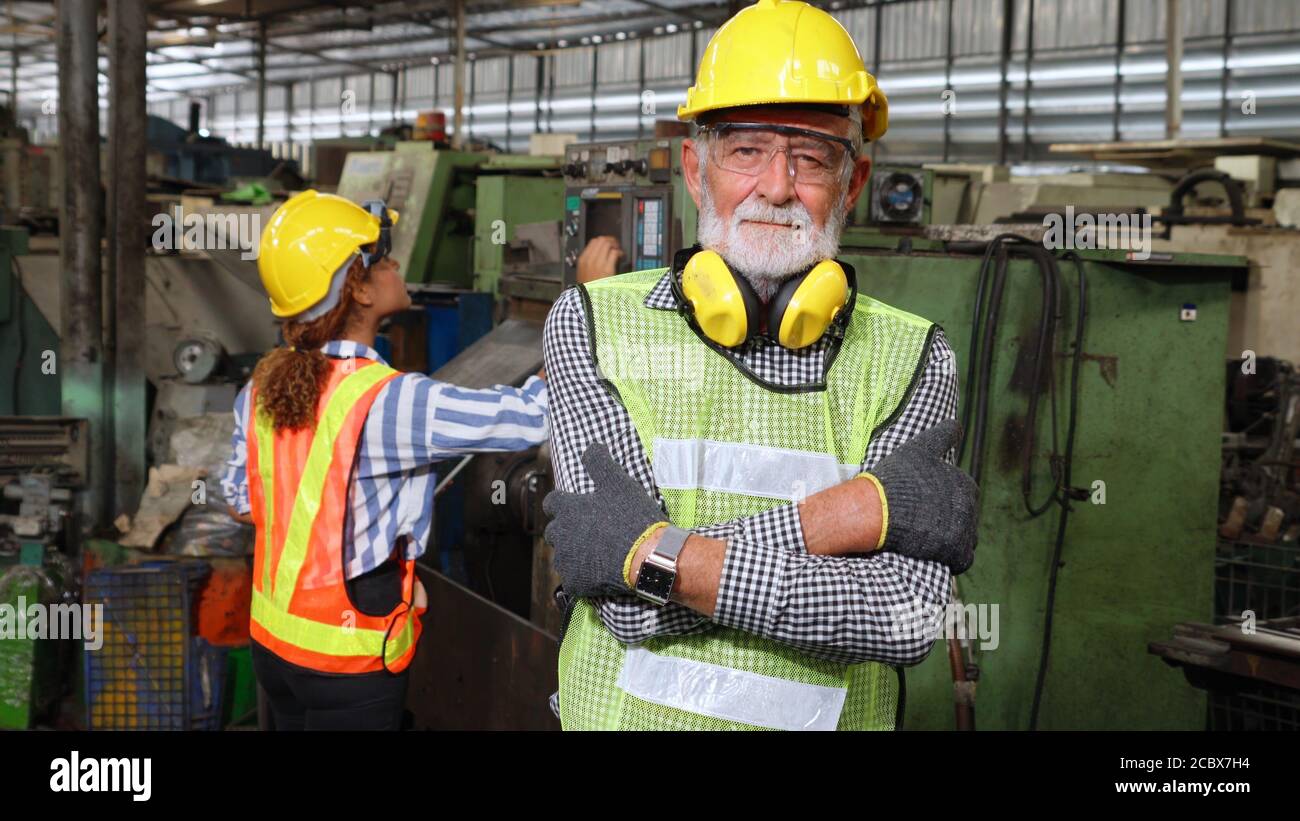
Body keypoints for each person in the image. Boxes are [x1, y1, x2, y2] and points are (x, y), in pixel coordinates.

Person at [541, 0, 979, 731]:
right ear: (694, 167)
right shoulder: (593, 323)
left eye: (810, 157)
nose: (776, 186)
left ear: (854, 181)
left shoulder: (913, 357)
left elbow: (904, 617)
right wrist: (848, 515)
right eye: (745, 150)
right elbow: (624, 613)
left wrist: (653, 554)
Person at [222, 190, 549, 730]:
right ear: (358, 286)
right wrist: (588, 299)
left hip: (274, 646)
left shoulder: (262, 383)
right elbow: (533, 417)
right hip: (346, 661)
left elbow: (241, 502)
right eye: (382, 257)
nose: (397, 265)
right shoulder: (389, 401)